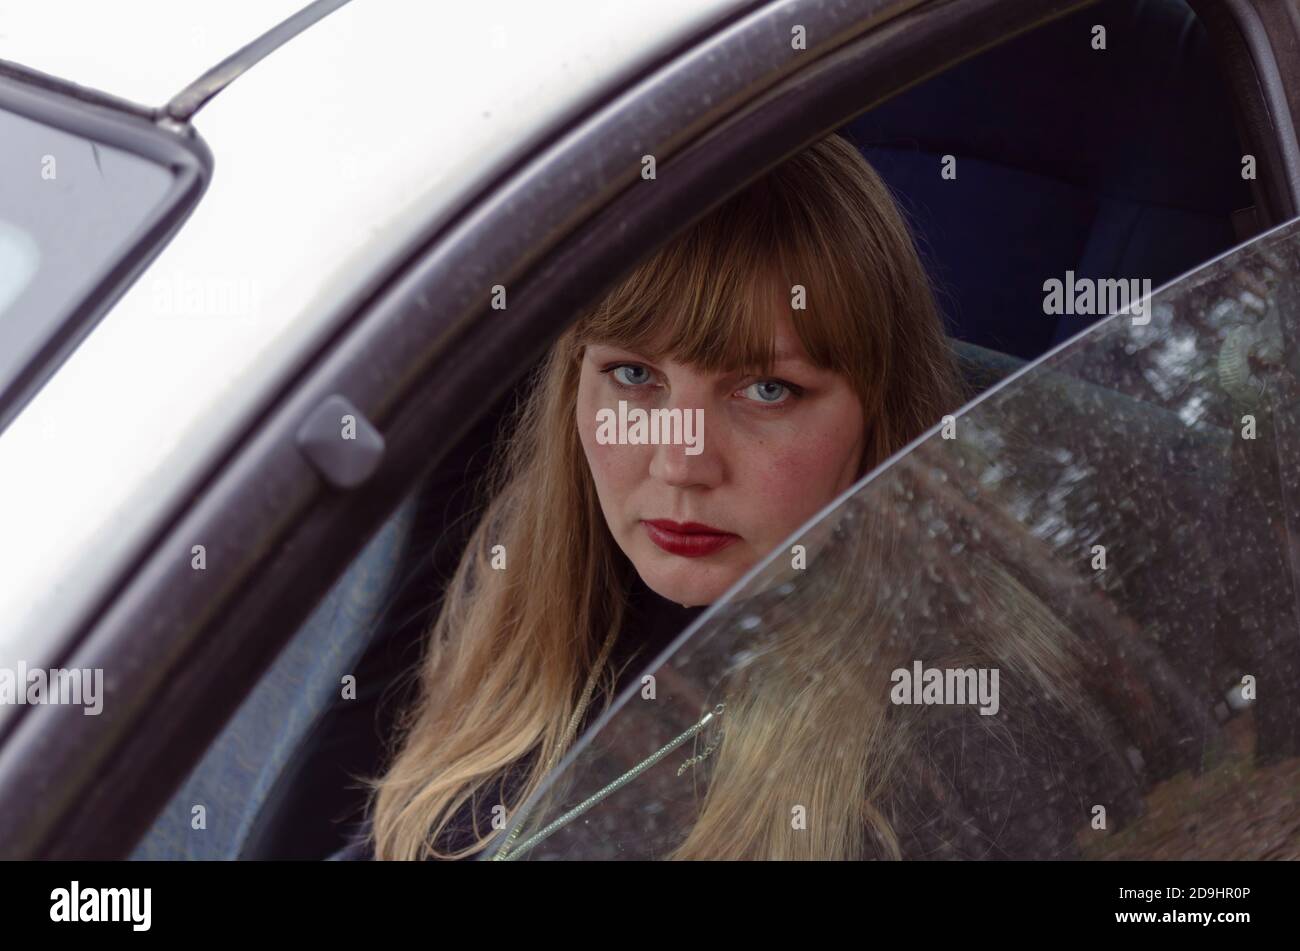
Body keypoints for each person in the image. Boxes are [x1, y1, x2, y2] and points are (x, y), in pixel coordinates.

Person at [328, 133, 1135, 861]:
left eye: (766, 389)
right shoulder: (516, 598)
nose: (682, 464)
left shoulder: (961, 740)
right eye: (634, 376)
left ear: (878, 417)